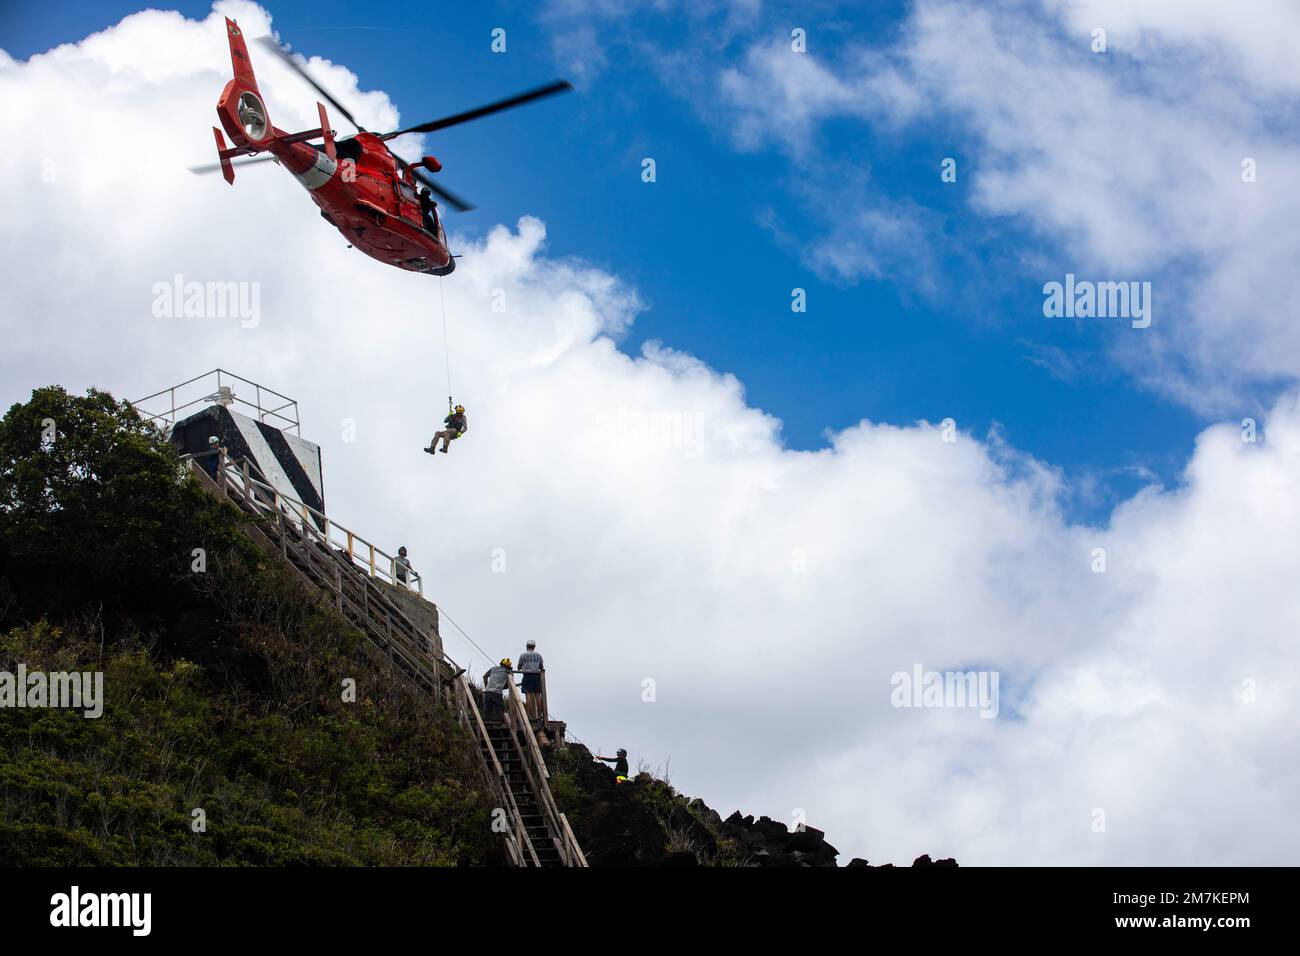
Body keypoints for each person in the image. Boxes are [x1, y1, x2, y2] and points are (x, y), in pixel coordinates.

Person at [517, 641, 545, 721]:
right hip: (536, 676)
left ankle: (528, 715)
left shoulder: (523, 655)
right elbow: (541, 667)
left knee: (528, 694)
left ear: (527, 646)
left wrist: (523, 666)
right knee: (537, 696)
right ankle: (540, 714)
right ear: (534, 646)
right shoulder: (539, 655)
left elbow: (519, 667)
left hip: (527, 675)